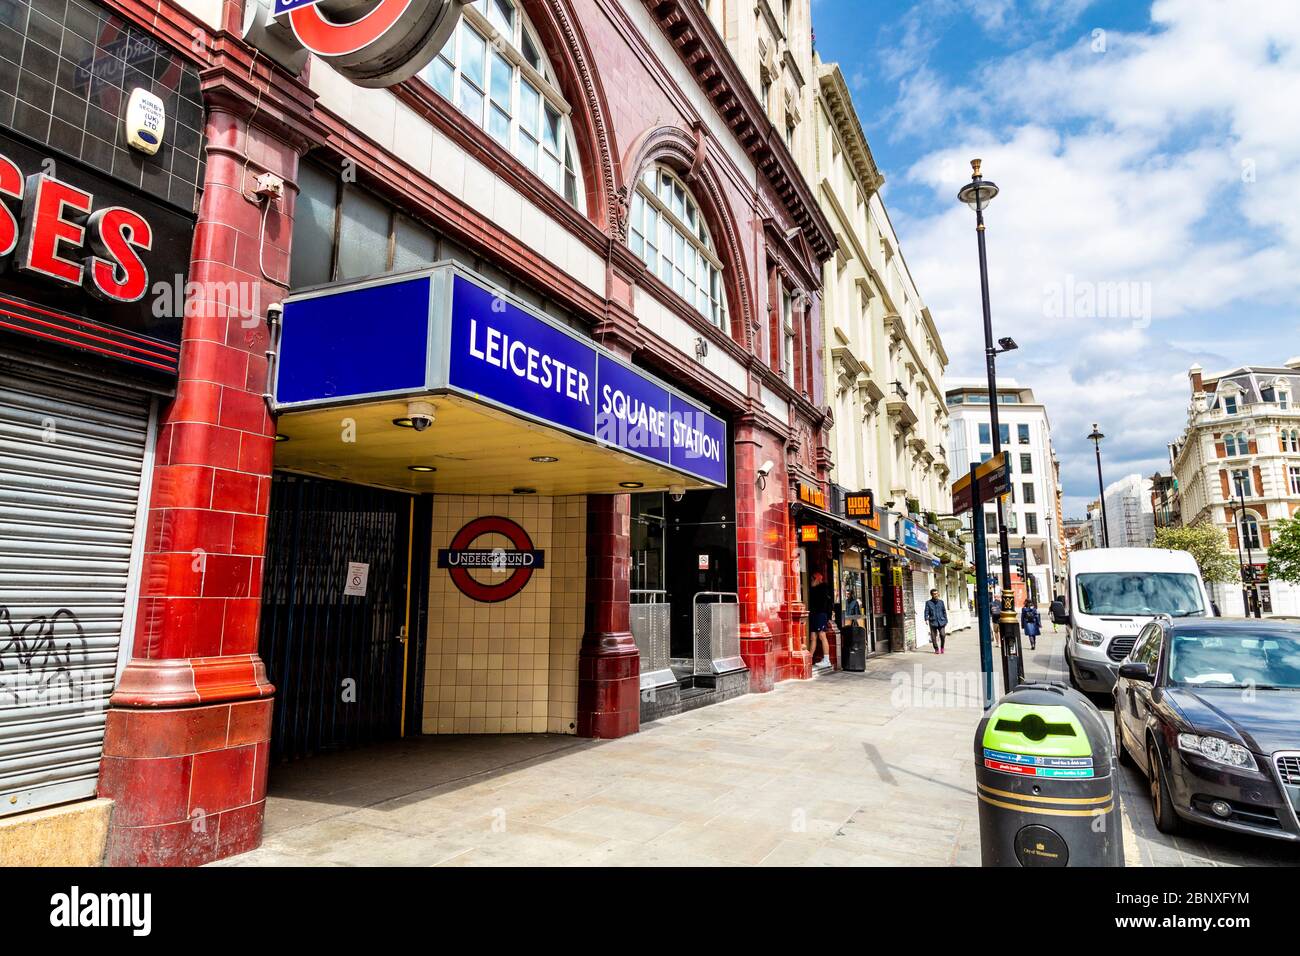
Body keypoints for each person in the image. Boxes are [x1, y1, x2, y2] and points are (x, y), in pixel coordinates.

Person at [808, 571, 833, 666]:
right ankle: (809, 660)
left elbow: (825, 605)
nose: (811, 581)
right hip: (814, 615)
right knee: (813, 637)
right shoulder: (813, 589)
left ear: (817, 579)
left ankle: (827, 660)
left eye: (812, 579)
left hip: (820, 615)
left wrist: (827, 617)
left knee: (822, 635)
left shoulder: (823, 589)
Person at [923, 588, 948, 654]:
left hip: (941, 621)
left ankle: (942, 647)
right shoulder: (928, 603)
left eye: (937, 593)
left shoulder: (941, 602)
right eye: (934, 594)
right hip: (933, 621)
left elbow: (944, 611)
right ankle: (936, 649)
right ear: (931, 595)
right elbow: (926, 611)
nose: (936, 595)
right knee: (933, 637)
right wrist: (926, 619)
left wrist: (946, 620)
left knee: (943, 635)